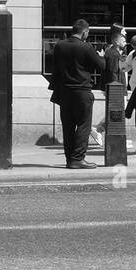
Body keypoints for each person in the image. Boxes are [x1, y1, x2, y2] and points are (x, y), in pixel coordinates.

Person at [48, 20, 105, 169]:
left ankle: (69, 159)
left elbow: (55, 68)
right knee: (83, 125)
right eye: (88, 33)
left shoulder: (60, 46)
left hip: (64, 92)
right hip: (81, 91)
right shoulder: (86, 47)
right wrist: (101, 56)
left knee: (68, 126)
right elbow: (101, 66)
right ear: (85, 32)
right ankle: (78, 158)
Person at [103, 25, 128, 90]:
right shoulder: (112, 52)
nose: (125, 33)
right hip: (116, 85)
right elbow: (113, 72)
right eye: (123, 31)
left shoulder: (118, 49)